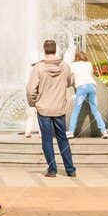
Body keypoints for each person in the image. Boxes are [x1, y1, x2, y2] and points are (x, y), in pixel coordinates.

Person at [26, 39, 77, 178]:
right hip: (59, 108)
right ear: (56, 50)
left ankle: (52, 170)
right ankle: (70, 169)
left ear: (44, 50)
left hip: (44, 108)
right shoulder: (65, 66)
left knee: (47, 139)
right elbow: (70, 82)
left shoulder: (38, 68)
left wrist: (33, 102)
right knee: (63, 139)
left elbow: (31, 89)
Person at [66, 49, 107, 138]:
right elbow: (90, 75)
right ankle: (104, 131)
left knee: (76, 110)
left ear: (76, 57)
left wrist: (70, 85)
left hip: (81, 87)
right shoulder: (88, 64)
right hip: (92, 86)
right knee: (95, 110)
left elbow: (72, 78)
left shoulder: (73, 65)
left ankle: (71, 131)